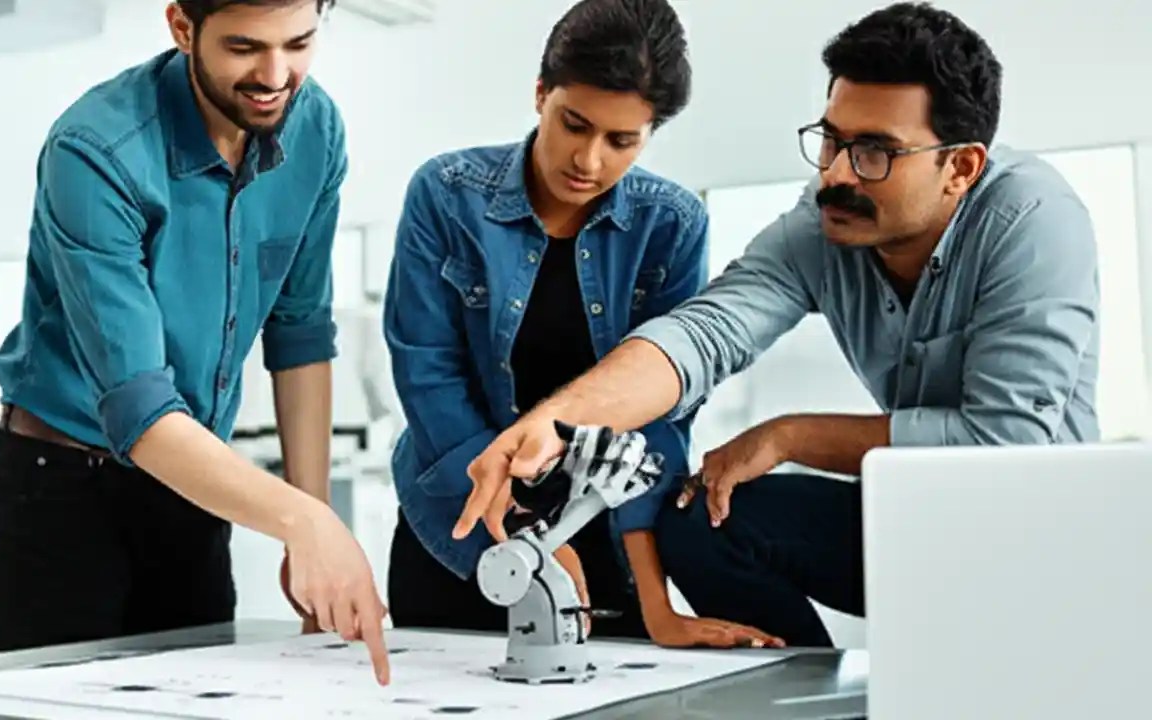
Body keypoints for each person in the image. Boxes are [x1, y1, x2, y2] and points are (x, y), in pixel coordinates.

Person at [455, 1, 1100, 647]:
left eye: (875, 152)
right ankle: (807, 689)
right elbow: (703, 334)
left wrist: (790, 436)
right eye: (832, 140)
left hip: (1034, 540)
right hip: (912, 517)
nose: (837, 174)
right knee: (700, 515)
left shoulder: (1033, 221)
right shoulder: (820, 225)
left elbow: (1002, 442)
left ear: (960, 168)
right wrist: (557, 423)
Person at [0, 0, 390, 684]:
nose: (275, 75)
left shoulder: (317, 128)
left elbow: (299, 331)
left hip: (195, 482)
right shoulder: (94, 150)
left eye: (298, 44)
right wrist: (304, 522)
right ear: (181, 27)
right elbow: (137, 406)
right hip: (64, 488)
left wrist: (310, 520)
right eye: (244, 48)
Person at [382, 0, 781, 650]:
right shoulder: (447, 195)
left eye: (621, 141)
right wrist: (524, 532)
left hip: (604, 534)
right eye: (574, 124)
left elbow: (661, 416)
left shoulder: (671, 224)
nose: (588, 161)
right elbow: (429, 377)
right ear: (541, 94)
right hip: (463, 523)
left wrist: (656, 603)